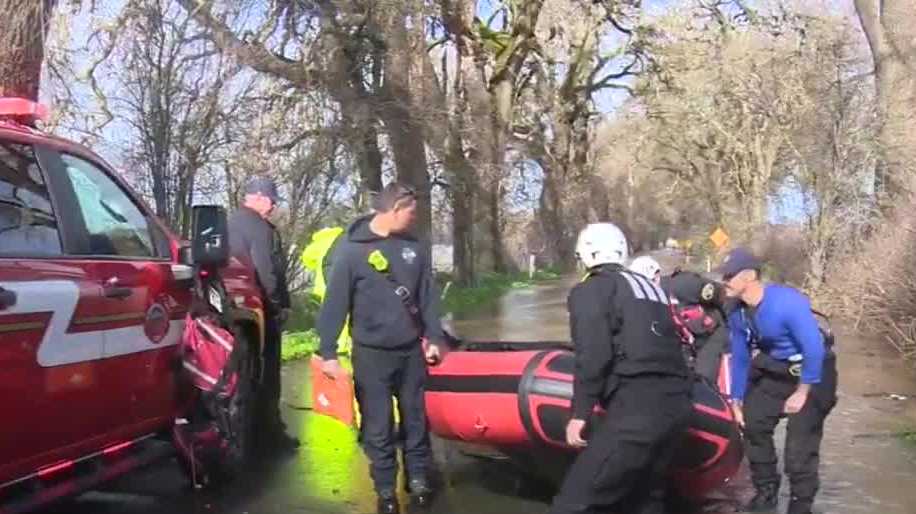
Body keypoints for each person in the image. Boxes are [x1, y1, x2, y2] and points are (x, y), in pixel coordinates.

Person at [317, 182, 444, 514]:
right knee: (378, 425)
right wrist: (328, 352)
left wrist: (434, 337)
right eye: (412, 212)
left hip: (411, 351)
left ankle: (417, 480)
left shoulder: (415, 247)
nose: (416, 218)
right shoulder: (351, 251)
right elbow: (335, 304)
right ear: (394, 209)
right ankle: (385, 490)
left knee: (415, 420)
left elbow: (427, 296)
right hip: (371, 354)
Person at [548, 223, 692, 514]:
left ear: (587, 255)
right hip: (677, 406)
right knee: (645, 499)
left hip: (638, 409)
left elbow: (593, 355)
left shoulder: (591, 290)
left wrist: (580, 413)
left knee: (574, 502)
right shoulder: (651, 288)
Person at [717, 248, 838, 514]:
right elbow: (739, 357)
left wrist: (802, 392)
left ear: (749, 276)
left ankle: (800, 504)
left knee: (798, 447)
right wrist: (735, 399)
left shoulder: (786, 302)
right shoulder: (736, 311)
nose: (722, 280)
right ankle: (766, 491)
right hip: (776, 367)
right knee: (753, 422)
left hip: (813, 369)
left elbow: (814, 348)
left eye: (728, 275)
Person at [227, 176, 299, 452]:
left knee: (243, 373)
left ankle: (243, 433)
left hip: (233, 311)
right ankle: (270, 435)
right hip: (261, 309)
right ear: (256, 197)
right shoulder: (259, 228)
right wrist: (278, 305)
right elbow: (268, 271)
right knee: (268, 374)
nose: (273, 206)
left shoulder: (228, 223)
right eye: (271, 200)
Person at [661, 269, 732, 387]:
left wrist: (736, 325)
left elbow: (722, 296)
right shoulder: (652, 301)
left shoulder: (683, 284)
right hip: (691, 339)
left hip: (715, 332)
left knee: (703, 378)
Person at [300, 226, 351, 355]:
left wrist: (316, 266)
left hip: (324, 284)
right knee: (347, 313)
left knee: (331, 313)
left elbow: (307, 259)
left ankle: (335, 346)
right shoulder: (344, 238)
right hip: (344, 282)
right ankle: (345, 345)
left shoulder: (318, 241)